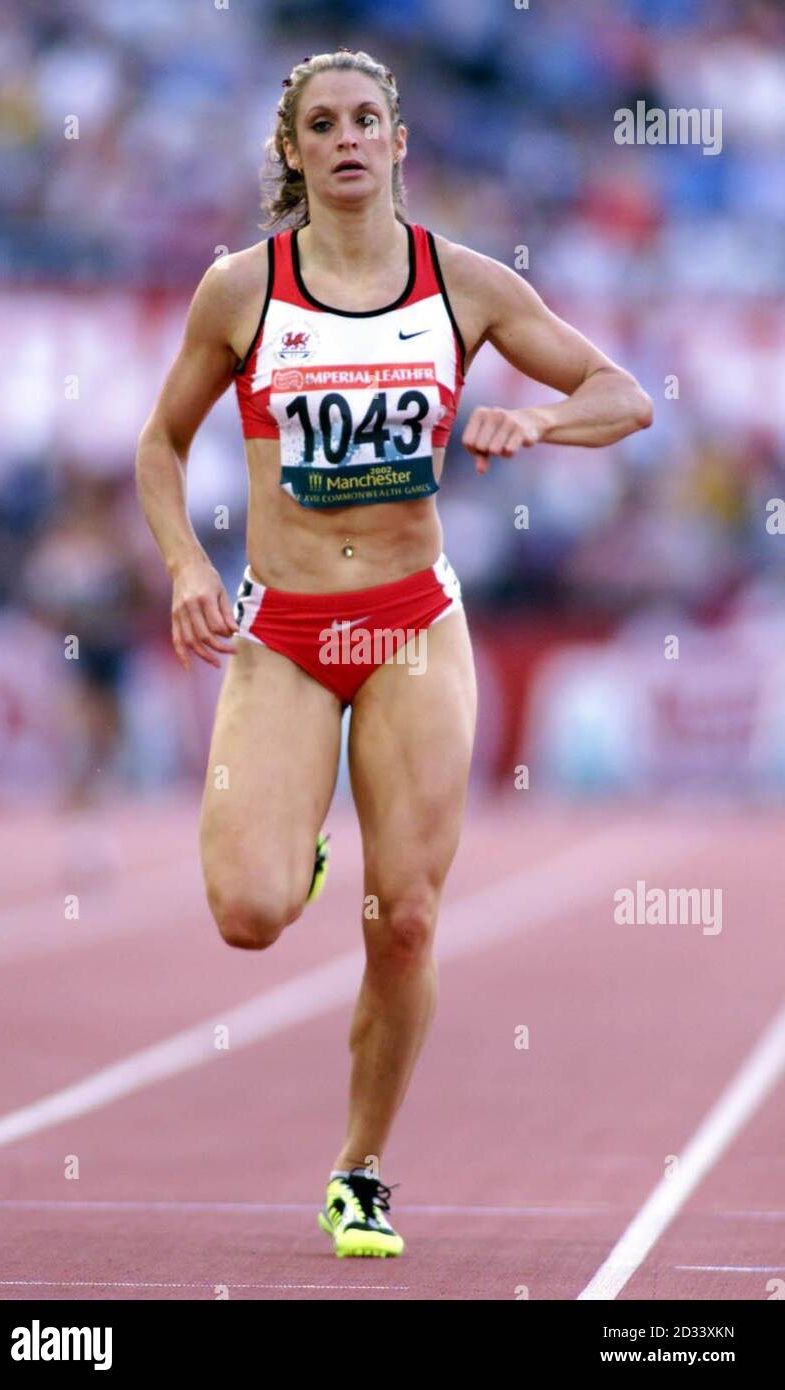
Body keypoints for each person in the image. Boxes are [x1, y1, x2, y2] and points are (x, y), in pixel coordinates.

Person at [135, 48, 653, 1259]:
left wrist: (543, 417)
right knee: (250, 912)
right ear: (294, 152)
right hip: (287, 630)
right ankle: (292, 840)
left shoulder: (460, 285)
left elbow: (623, 392)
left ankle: (359, 1169)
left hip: (413, 624)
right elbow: (158, 445)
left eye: (368, 119)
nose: (348, 139)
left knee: (406, 919)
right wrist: (187, 568)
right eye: (322, 124)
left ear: (400, 141)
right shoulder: (240, 289)